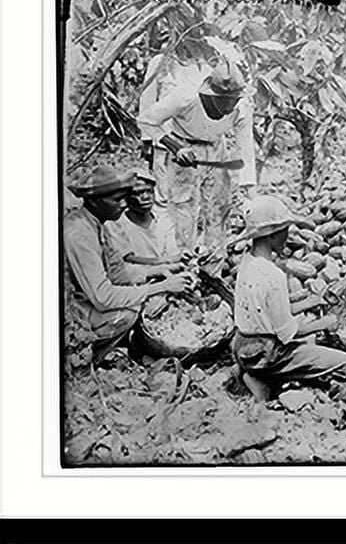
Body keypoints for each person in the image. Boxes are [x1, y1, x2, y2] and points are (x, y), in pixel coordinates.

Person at [231, 195, 346, 402]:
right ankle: (265, 379)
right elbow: (288, 333)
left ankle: (253, 372)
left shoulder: (247, 262)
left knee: (308, 342)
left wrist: (309, 302)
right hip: (268, 354)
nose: (288, 236)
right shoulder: (273, 276)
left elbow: (265, 311)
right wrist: (324, 323)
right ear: (273, 234)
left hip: (241, 347)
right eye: (285, 231)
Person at [64, 166, 193, 367]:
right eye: (117, 200)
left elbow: (117, 272)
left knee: (139, 298)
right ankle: (87, 356)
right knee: (128, 313)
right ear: (94, 202)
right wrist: (162, 287)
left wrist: (158, 270)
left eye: (124, 198)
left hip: (86, 296)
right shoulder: (79, 234)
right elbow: (103, 297)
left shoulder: (98, 223)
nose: (124, 204)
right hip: (70, 311)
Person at [136, 58, 257, 250]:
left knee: (218, 208)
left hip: (217, 149)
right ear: (212, 95)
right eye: (226, 101)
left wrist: (250, 191)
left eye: (235, 100)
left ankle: (214, 258)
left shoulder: (242, 108)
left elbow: (246, 149)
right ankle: (185, 258)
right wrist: (175, 147)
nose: (231, 106)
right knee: (183, 209)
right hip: (184, 148)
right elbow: (146, 121)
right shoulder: (186, 97)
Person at [105, 170, 180, 266]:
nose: (146, 197)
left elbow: (172, 253)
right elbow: (127, 259)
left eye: (149, 191)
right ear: (126, 197)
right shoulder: (116, 224)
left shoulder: (164, 222)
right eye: (138, 193)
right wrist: (163, 261)